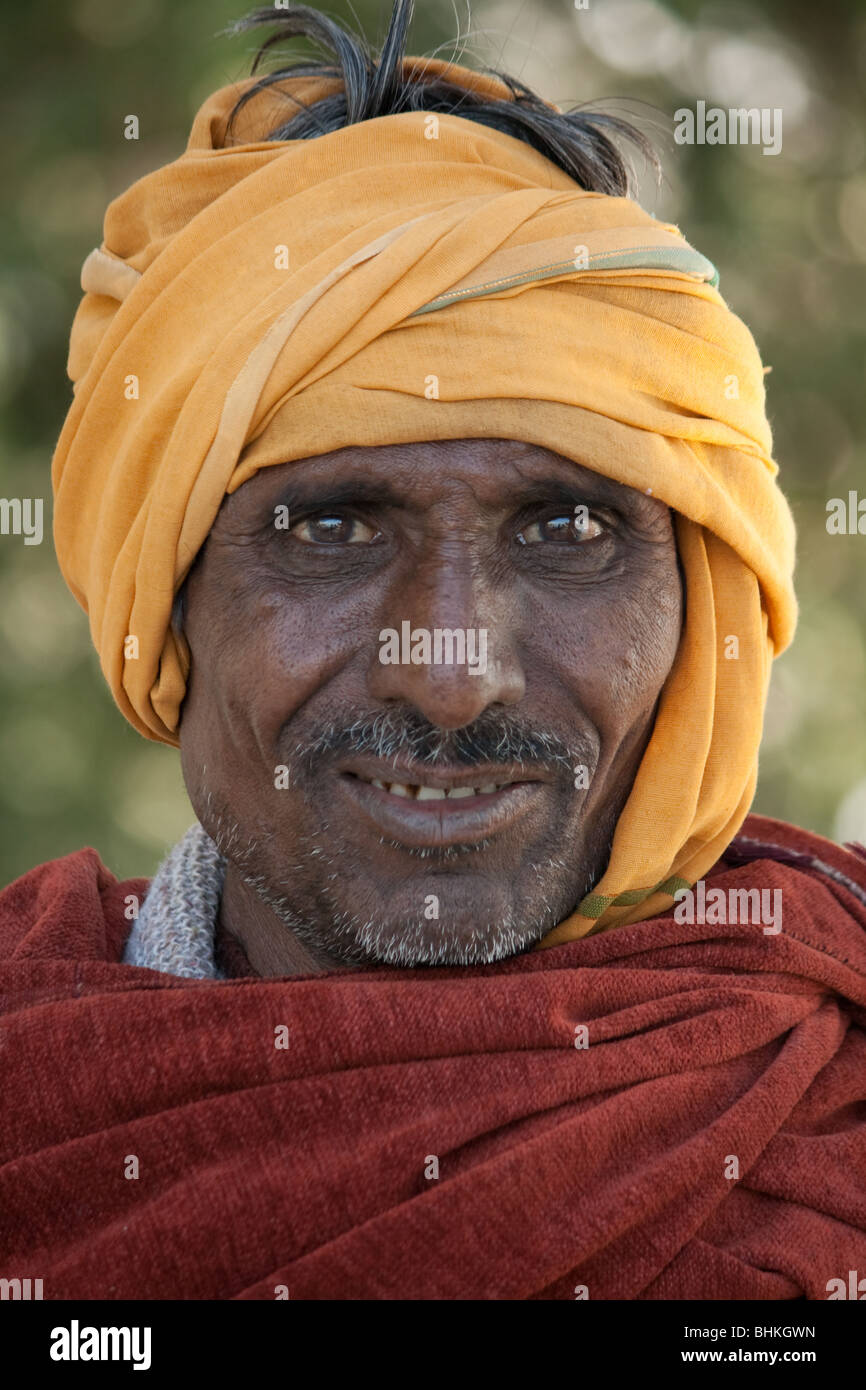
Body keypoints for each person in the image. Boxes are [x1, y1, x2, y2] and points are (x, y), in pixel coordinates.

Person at [1, 0, 864, 1301]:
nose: (453, 670)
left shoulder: (826, 1098)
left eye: (565, 526)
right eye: (332, 525)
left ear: (701, 604)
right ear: (161, 603)